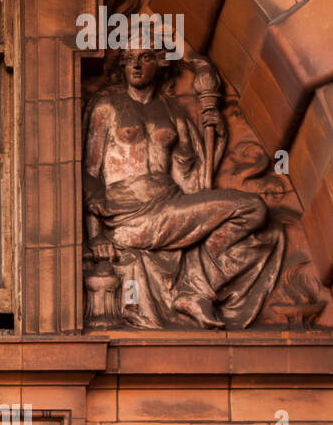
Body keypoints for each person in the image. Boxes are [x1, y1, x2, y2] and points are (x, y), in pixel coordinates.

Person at [83, 46, 282, 328]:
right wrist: (95, 237)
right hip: (127, 216)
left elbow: (194, 180)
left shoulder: (173, 113)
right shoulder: (107, 107)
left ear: (161, 64)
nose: (136, 66)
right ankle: (194, 291)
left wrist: (219, 134)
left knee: (253, 209)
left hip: (170, 206)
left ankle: (195, 289)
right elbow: (89, 175)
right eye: (129, 60)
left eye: (145, 57)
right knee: (250, 209)